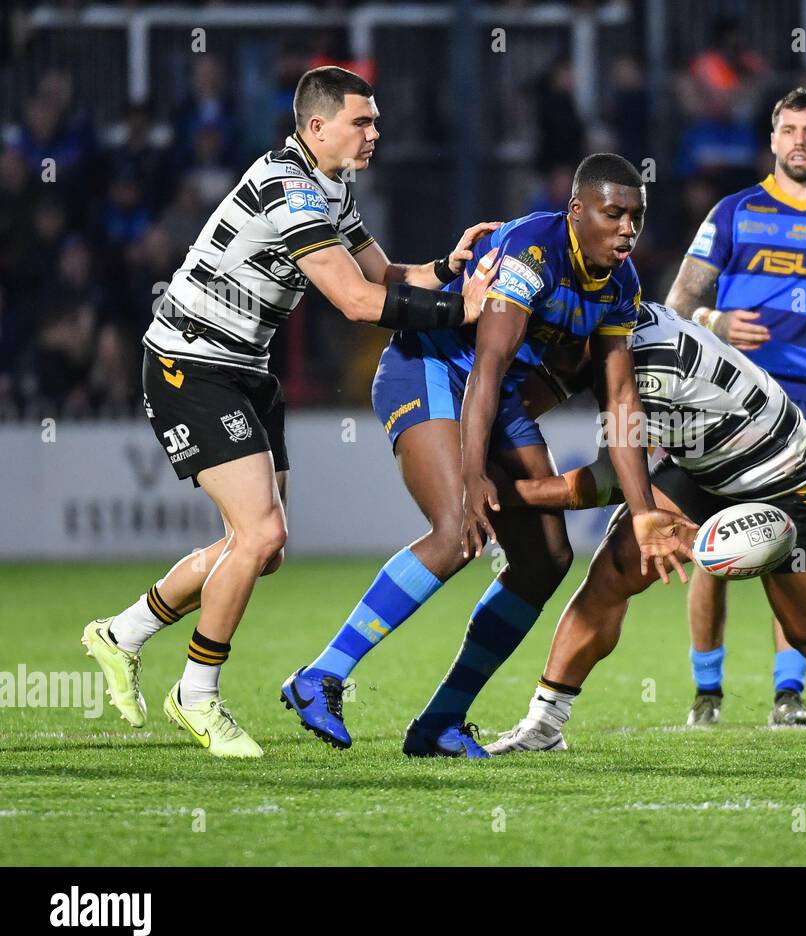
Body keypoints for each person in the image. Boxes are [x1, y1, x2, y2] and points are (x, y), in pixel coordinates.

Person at [81, 66, 497, 758]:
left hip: (246, 368)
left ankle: (121, 634)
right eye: (361, 122)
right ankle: (197, 696)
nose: (375, 133)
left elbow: (383, 276)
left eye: (375, 121)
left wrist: (446, 270)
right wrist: (466, 310)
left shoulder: (334, 182)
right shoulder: (288, 185)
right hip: (193, 362)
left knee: (259, 549)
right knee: (262, 535)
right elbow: (356, 304)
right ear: (316, 127)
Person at [280, 154, 690, 757]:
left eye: (636, 216)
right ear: (576, 211)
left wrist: (644, 511)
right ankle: (323, 674)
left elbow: (621, 401)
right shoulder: (531, 251)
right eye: (614, 214)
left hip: (494, 399)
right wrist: (472, 477)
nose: (628, 228)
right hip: (430, 370)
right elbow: (489, 365)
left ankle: (439, 723)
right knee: (456, 531)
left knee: (547, 558)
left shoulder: (621, 286)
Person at [483, 301, 806, 753]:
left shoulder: (642, 371)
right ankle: (545, 723)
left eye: (552, 349)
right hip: (704, 465)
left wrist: (505, 497)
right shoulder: (611, 331)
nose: (545, 360)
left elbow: (612, 480)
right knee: (613, 571)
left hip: (784, 474)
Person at [665, 87, 806, 726]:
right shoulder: (734, 213)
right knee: (712, 548)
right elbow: (676, 305)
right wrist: (715, 320)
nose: (800, 140)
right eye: (789, 129)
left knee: (789, 551)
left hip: (804, 411)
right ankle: (707, 694)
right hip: (719, 408)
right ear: (771, 140)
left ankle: (788, 694)